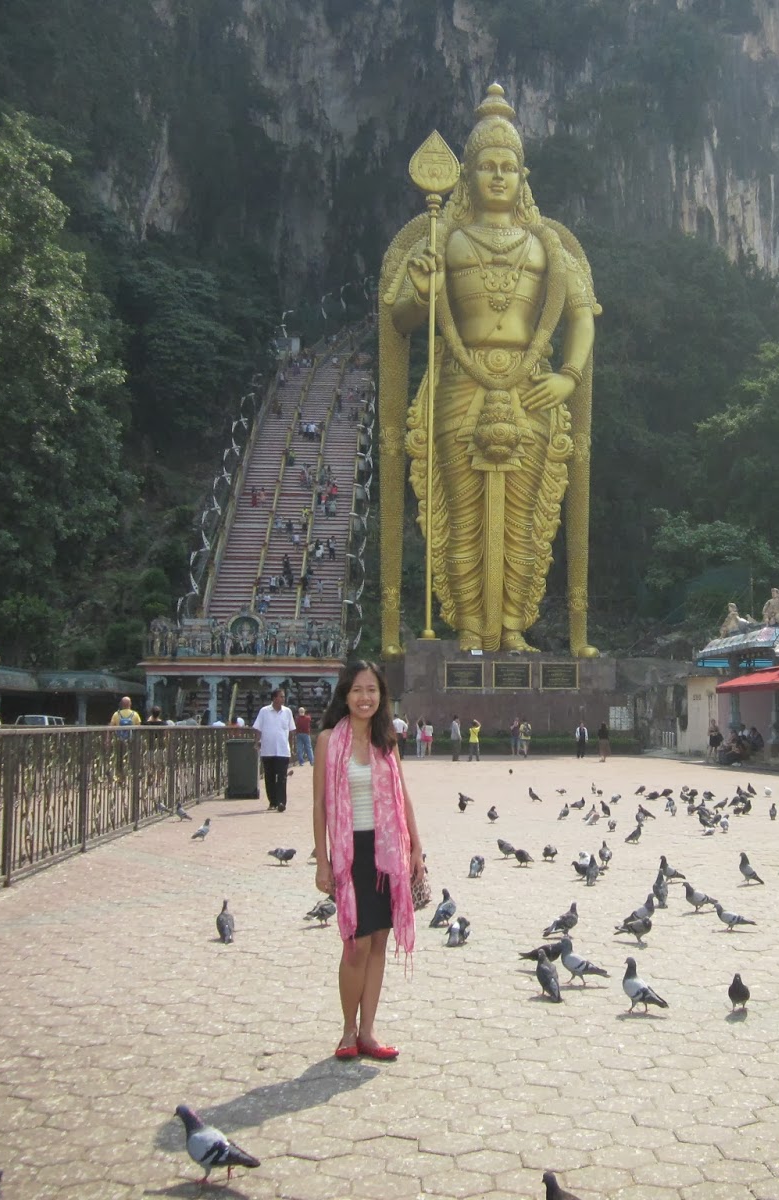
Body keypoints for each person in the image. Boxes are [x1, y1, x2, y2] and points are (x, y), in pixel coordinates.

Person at [379, 84, 599, 657]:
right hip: (460, 382)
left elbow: (582, 316)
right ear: (467, 176)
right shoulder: (443, 238)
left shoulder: (546, 243)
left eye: (508, 167)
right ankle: (470, 630)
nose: (497, 177)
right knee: (462, 513)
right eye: (486, 167)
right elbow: (400, 318)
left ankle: (512, 626)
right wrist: (423, 291)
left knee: (524, 519)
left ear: (522, 176)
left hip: (532, 387)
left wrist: (568, 376)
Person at [311, 660, 423, 1061]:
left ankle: (369, 1032)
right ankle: (347, 1030)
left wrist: (416, 848)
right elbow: (320, 805)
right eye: (358, 690)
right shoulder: (328, 740)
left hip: (388, 850)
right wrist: (322, 861)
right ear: (346, 695)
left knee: (378, 940)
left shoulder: (386, 740)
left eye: (372, 690)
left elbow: (403, 797)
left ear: (381, 696)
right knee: (354, 944)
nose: (365, 698)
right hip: (350, 851)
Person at [253, 689, 295, 812]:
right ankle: (272, 801)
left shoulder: (287, 712)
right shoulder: (264, 711)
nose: (283, 699)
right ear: (274, 698)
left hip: (282, 750)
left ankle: (281, 802)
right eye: (281, 697)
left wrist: (291, 747)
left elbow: (291, 730)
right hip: (268, 749)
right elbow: (258, 729)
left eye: (283, 697)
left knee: (282, 777)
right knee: (269, 777)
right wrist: (257, 742)